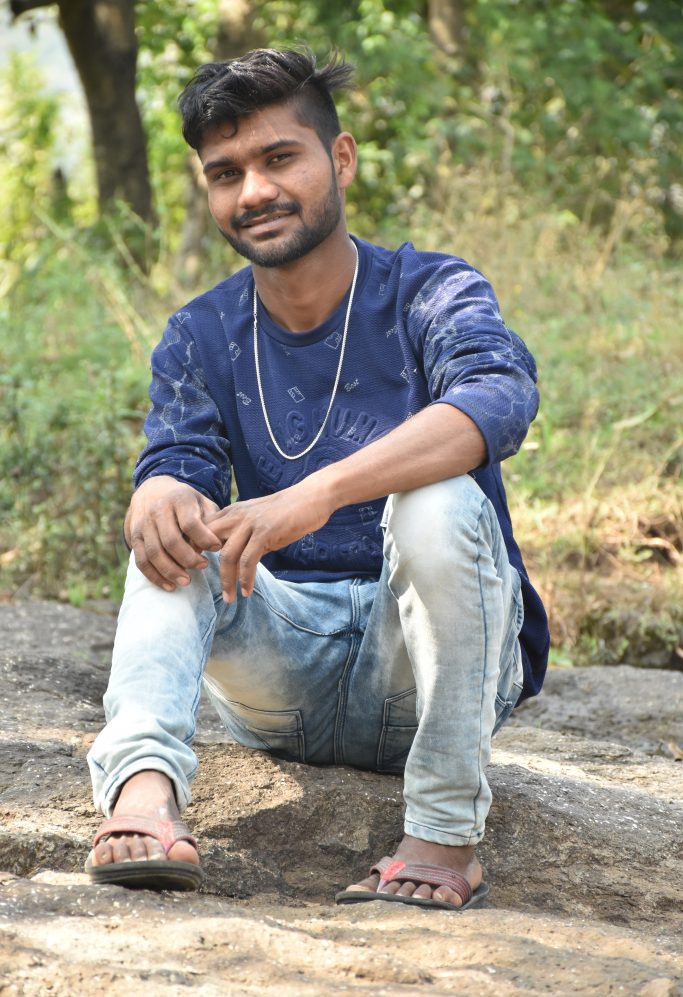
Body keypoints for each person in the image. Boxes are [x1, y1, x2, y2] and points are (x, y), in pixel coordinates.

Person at [85, 48, 549, 910]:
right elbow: (179, 457)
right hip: (281, 685)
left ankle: (445, 835)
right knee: (172, 538)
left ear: (339, 159)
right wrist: (159, 494)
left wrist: (322, 491)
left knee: (440, 500)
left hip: (425, 672)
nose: (252, 190)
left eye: (277, 158)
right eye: (225, 173)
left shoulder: (429, 290)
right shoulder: (199, 333)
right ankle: (143, 798)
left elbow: (497, 398)